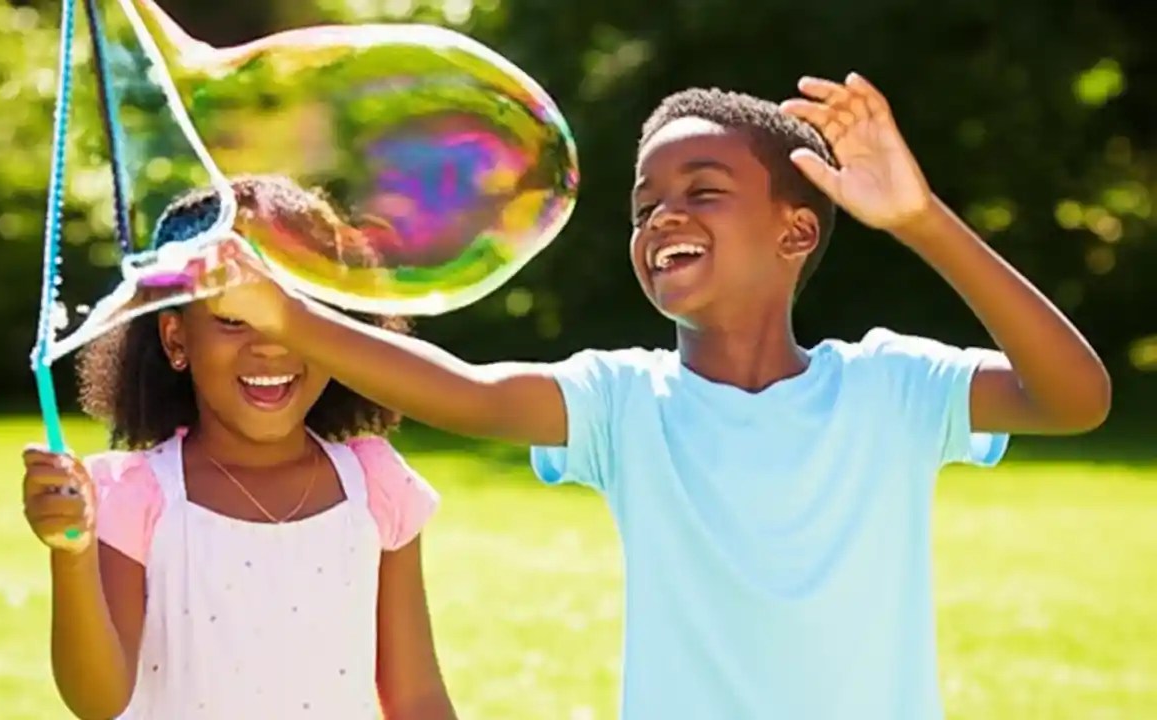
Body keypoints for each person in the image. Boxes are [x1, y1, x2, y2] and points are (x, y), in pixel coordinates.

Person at [206, 75, 1112, 719]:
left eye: (701, 193)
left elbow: (1074, 398)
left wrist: (920, 221)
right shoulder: (625, 401)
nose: (662, 218)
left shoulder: (892, 386)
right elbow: (468, 396)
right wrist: (282, 314)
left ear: (796, 230)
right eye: (644, 207)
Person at [21, 175, 457, 720]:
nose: (270, 345)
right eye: (233, 319)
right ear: (176, 338)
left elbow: (415, 696)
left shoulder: (375, 486)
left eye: (297, 313)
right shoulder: (136, 496)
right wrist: (72, 553)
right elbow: (99, 700)